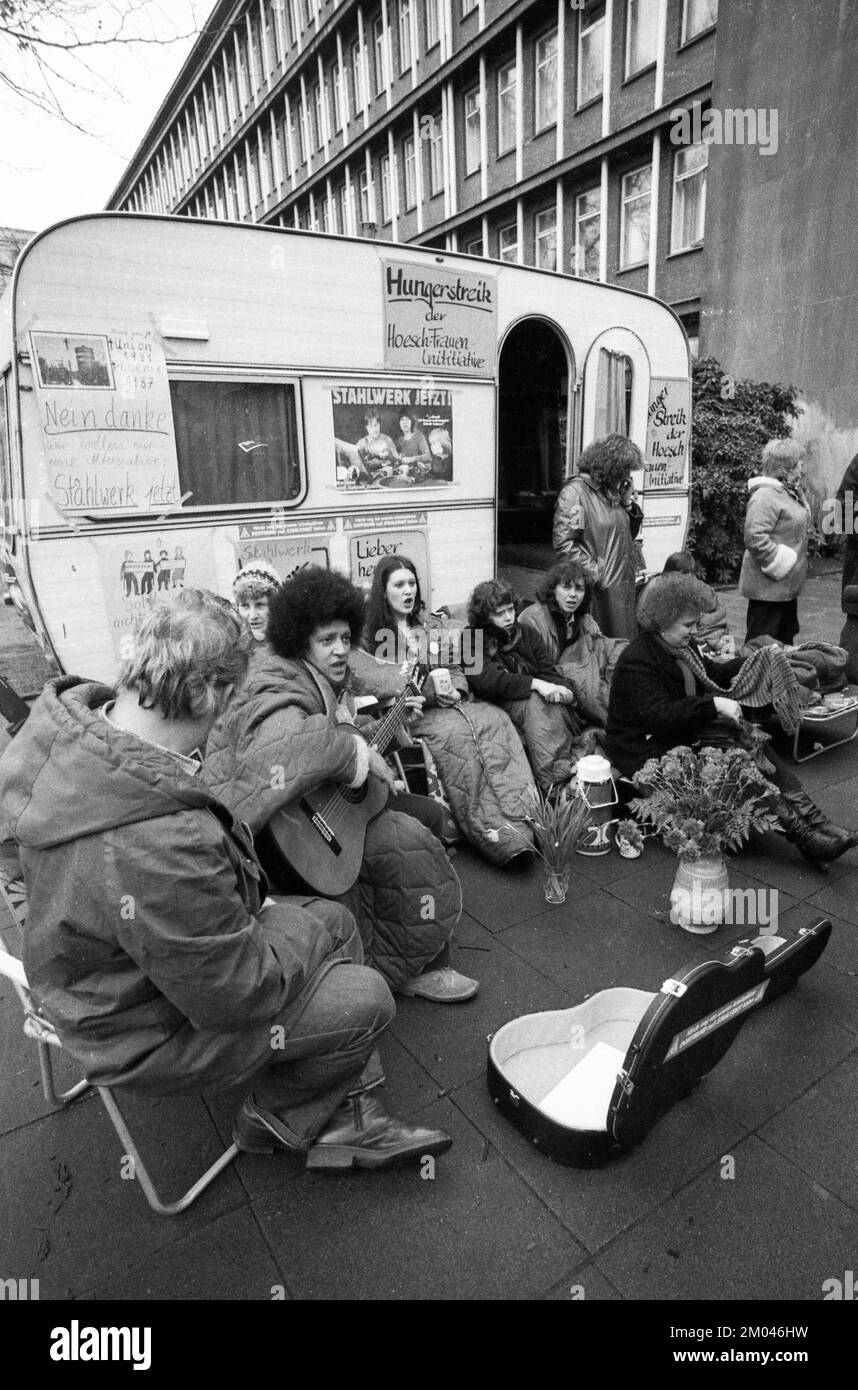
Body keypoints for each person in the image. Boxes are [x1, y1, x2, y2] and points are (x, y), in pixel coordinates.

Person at [0, 590, 451, 1170]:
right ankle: (278, 1115)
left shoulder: (66, 734)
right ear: (202, 691)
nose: (226, 718)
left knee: (336, 918)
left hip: (109, 976)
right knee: (366, 996)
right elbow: (240, 996)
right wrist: (270, 925)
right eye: (229, 697)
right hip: (139, 1028)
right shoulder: (157, 842)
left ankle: (345, 1107)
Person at [205, 565, 477, 1003]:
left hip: (298, 814)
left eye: (345, 639)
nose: (338, 652)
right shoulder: (274, 679)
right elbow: (285, 744)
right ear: (300, 640)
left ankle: (401, 958)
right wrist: (354, 754)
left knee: (419, 818)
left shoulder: (304, 672)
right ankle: (408, 967)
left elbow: (333, 729)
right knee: (405, 837)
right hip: (268, 840)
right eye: (326, 640)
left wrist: (370, 734)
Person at [605, 573, 858, 866]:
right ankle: (806, 837)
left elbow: (712, 673)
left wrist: (760, 658)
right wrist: (714, 704)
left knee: (751, 738)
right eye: (688, 625)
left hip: (674, 733)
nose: (695, 630)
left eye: (696, 623)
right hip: (642, 749)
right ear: (661, 623)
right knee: (736, 755)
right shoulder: (637, 660)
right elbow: (660, 716)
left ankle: (818, 824)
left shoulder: (681, 648)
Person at [359, 556, 537, 866]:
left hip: (455, 705)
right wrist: (423, 695)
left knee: (497, 720)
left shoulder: (430, 626)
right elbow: (373, 687)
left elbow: (455, 665)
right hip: (415, 717)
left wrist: (458, 689)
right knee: (459, 742)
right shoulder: (371, 637)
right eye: (398, 585)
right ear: (382, 591)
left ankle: (531, 822)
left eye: (411, 583)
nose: (407, 591)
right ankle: (495, 836)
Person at [465, 578, 583, 790]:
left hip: (529, 698)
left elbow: (548, 671)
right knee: (536, 703)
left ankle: (565, 769)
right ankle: (554, 781)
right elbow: (485, 680)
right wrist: (536, 684)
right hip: (494, 703)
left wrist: (565, 690)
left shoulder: (527, 633)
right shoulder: (470, 638)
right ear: (484, 617)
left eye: (510, 609)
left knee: (565, 697)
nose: (509, 617)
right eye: (499, 614)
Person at [552, 434, 644, 641]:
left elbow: (627, 535)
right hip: (600, 591)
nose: (627, 475)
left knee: (622, 644)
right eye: (624, 469)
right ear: (611, 467)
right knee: (602, 645)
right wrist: (597, 574)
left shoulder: (611, 493)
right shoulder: (575, 493)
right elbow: (565, 544)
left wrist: (627, 502)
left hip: (622, 585)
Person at [519, 560, 627, 729]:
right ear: (552, 589)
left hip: (581, 690)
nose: (573, 595)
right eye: (566, 587)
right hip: (552, 688)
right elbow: (534, 670)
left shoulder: (587, 622)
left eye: (579, 589)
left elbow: (598, 658)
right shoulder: (532, 619)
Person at [739, 438, 810, 645]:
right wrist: (780, 562)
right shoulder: (765, 496)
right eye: (798, 463)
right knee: (761, 645)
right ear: (786, 469)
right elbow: (755, 536)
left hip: (784, 589)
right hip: (767, 589)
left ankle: (780, 678)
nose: (802, 467)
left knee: (785, 642)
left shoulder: (787, 492)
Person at [663, 550, 734, 658]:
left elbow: (709, 625)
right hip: (707, 640)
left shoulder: (700, 593)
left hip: (708, 641)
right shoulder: (667, 588)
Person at [233, 558, 282, 644]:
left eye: (260, 605)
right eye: (245, 606)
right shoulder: (232, 652)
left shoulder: (293, 651)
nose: (253, 616)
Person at [395, 413, 432, 481]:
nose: (405, 422)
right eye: (402, 420)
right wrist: (399, 459)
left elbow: (428, 456)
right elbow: (400, 459)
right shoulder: (400, 440)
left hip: (421, 476)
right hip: (407, 476)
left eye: (407, 419)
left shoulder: (419, 435)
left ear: (412, 422)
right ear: (399, 423)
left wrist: (412, 459)